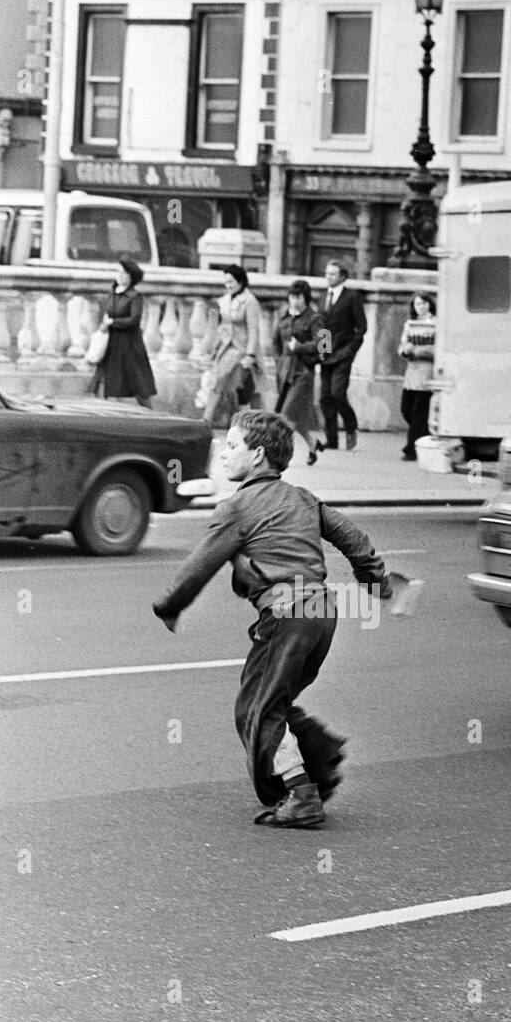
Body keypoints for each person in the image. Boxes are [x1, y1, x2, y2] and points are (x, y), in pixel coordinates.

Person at [152, 408, 398, 828]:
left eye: (232, 446)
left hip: (286, 616)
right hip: (322, 613)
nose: (223, 454)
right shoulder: (304, 499)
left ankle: (303, 794)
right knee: (273, 702)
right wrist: (376, 580)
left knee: (257, 709)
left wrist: (169, 605)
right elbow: (354, 539)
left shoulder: (238, 508)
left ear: (259, 455)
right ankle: (318, 757)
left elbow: (200, 565)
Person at [91, 254, 156, 409]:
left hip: (129, 345)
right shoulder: (113, 293)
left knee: (137, 383)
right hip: (112, 344)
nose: (119, 276)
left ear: (131, 276)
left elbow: (134, 320)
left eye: (123, 273)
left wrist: (113, 322)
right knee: (106, 381)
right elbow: (106, 314)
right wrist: (104, 326)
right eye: (117, 272)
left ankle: (151, 415)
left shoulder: (134, 296)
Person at [272, 279, 325, 466]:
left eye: (299, 297)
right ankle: (313, 444)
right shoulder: (284, 317)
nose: (295, 301)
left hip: (303, 373)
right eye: (292, 297)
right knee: (296, 417)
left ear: (306, 298)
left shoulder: (315, 318)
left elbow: (324, 346)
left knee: (285, 415)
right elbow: (275, 343)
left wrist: (299, 347)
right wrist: (279, 362)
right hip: (285, 373)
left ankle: (278, 455)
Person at [204, 265, 263, 429]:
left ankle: (249, 422)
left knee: (240, 389)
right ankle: (208, 420)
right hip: (226, 349)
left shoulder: (250, 301)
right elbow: (217, 324)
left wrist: (250, 354)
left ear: (240, 281)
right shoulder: (224, 300)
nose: (228, 285)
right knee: (220, 383)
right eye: (226, 282)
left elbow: (253, 329)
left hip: (241, 351)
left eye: (231, 282)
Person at [318, 260, 367, 451]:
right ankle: (331, 439)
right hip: (326, 353)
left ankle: (350, 426)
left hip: (343, 352)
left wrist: (350, 350)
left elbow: (361, 328)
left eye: (332, 274)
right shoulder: (323, 297)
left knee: (337, 393)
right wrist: (322, 350)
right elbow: (322, 325)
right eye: (327, 273)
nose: (328, 277)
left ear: (342, 277)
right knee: (325, 396)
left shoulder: (352, 298)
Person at [397, 292, 437, 460]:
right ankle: (422, 436)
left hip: (427, 370)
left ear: (430, 304)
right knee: (406, 408)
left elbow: (438, 348)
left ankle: (411, 448)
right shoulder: (410, 323)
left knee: (418, 411)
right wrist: (405, 351)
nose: (420, 307)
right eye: (417, 304)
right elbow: (403, 344)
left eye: (423, 303)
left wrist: (420, 350)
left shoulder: (436, 323)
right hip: (412, 371)